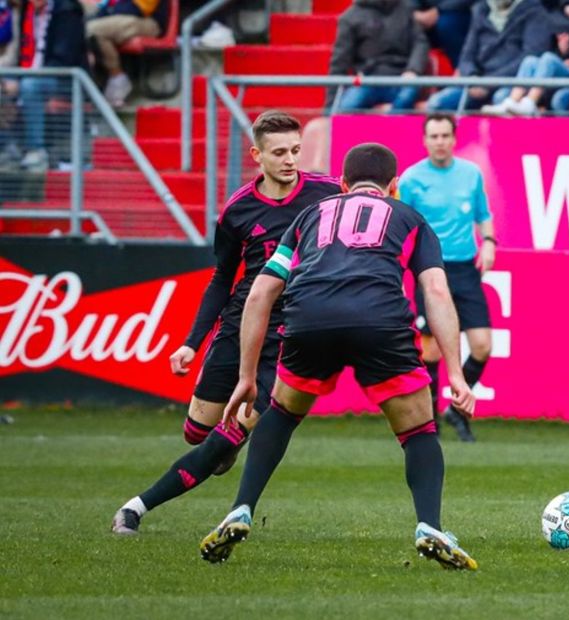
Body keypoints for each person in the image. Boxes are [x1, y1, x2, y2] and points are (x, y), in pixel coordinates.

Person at [199, 143, 478, 571]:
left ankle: (241, 509)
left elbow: (260, 292)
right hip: (378, 321)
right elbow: (436, 291)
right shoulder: (409, 218)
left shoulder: (310, 215)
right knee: (419, 430)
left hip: (310, 317)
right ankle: (429, 525)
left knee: (282, 412)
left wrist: (247, 376)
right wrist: (456, 374)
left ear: (343, 185)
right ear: (395, 186)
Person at [110, 112, 343, 535]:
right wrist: (191, 343)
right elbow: (222, 279)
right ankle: (220, 444)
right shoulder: (239, 209)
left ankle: (134, 509)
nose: (290, 160)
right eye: (279, 152)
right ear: (257, 155)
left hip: (290, 333)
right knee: (197, 432)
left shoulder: (327, 194)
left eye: (295, 150)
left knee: (230, 434)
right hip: (239, 327)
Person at [398, 114, 494, 442]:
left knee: (482, 345)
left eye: (444, 135)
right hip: (428, 270)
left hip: (465, 267)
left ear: (454, 139)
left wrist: (490, 242)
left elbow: (483, 214)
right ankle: (429, 423)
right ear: (425, 140)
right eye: (433, 136)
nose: (439, 141)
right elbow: (401, 226)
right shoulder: (411, 179)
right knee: (431, 352)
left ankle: (454, 409)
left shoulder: (470, 174)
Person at [424, 0, 550, 111]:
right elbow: (467, 55)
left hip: (512, 82)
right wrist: (472, 77)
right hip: (478, 80)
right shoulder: (481, 9)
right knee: (436, 103)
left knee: (500, 98)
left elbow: (532, 56)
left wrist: (488, 84)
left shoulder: (534, 10)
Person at [12, 0, 86, 173]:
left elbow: (65, 58)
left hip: (65, 79)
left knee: (30, 86)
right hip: (31, 72)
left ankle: (36, 150)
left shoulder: (68, 10)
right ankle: (9, 148)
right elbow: (21, 53)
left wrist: (24, 78)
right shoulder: (27, 10)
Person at [327, 0, 429, 113]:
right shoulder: (350, 17)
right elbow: (339, 64)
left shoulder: (407, 10)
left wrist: (413, 70)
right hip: (366, 79)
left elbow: (420, 43)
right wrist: (330, 109)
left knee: (407, 95)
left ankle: (390, 126)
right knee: (347, 107)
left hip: (402, 77)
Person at [85, 0, 167, 107]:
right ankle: (110, 79)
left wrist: (108, 12)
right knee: (81, 25)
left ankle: (118, 78)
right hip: (119, 17)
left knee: (90, 29)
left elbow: (134, 9)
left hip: (147, 21)